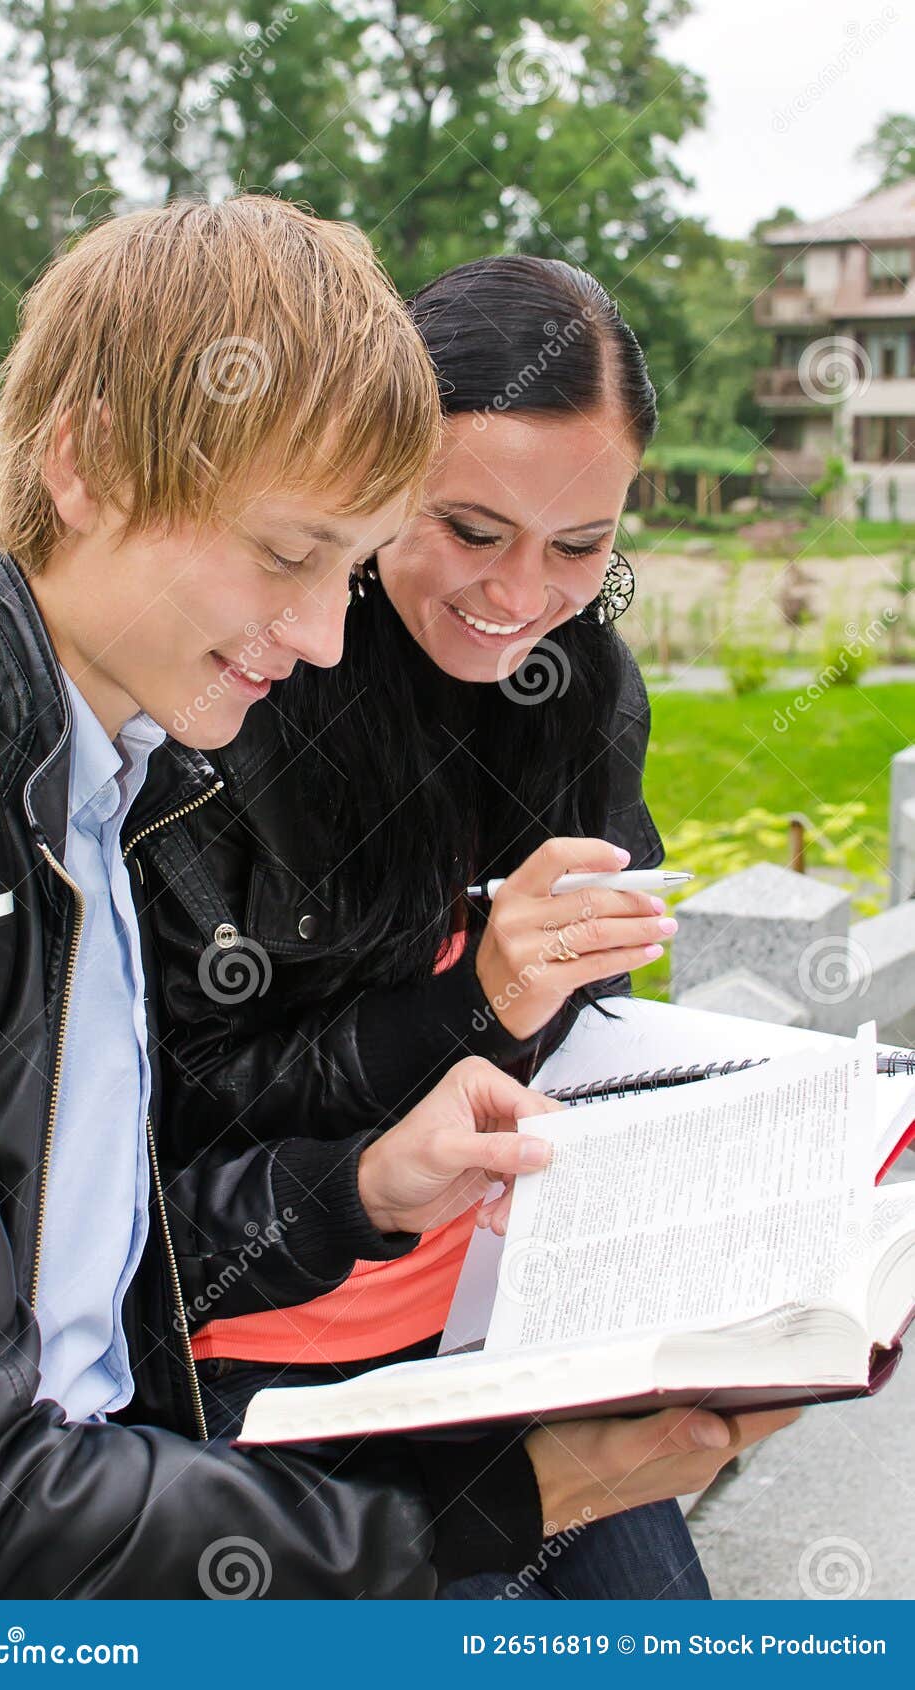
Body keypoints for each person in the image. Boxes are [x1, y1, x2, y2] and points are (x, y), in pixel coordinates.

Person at [0, 198, 797, 1601]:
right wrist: (506, 1499)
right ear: (88, 462)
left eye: (347, 573)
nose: (318, 635)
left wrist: (362, 1185)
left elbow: (127, 1272)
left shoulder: (96, 772)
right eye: (294, 559)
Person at [141, 255, 792, 1599]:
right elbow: (181, 1116)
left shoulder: (583, 687)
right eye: (472, 529)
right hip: (270, 1354)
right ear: (378, 473)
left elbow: (597, 1018)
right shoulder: (248, 691)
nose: (519, 595)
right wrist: (474, 1006)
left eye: (581, 545)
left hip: (522, 1316)